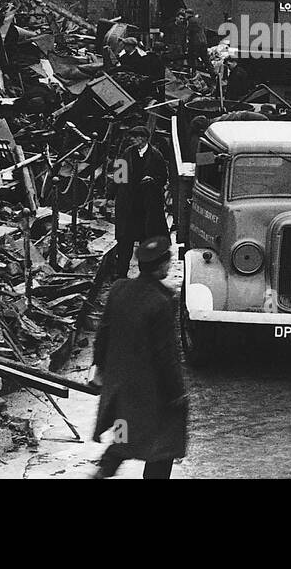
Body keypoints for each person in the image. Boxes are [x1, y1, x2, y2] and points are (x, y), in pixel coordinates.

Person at [92, 234, 187, 479]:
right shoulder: (162, 302)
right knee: (164, 444)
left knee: (122, 437)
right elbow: (166, 354)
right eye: (168, 262)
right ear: (161, 266)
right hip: (151, 395)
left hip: (121, 390)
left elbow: (103, 331)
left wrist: (99, 368)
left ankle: (105, 468)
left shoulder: (119, 289)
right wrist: (177, 392)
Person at [108, 124, 169, 281]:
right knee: (124, 240)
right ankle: (121, 273)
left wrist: (153, 180)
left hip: (146, 207)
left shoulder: (156, 156)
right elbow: (118, 176)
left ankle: (145, 273)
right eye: (132, 137)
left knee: (146, 240)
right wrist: (110, 196)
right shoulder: (126, 154)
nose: (132, 140)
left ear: (144, 139)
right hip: (128, 205)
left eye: (135, 137)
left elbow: (163, 177)